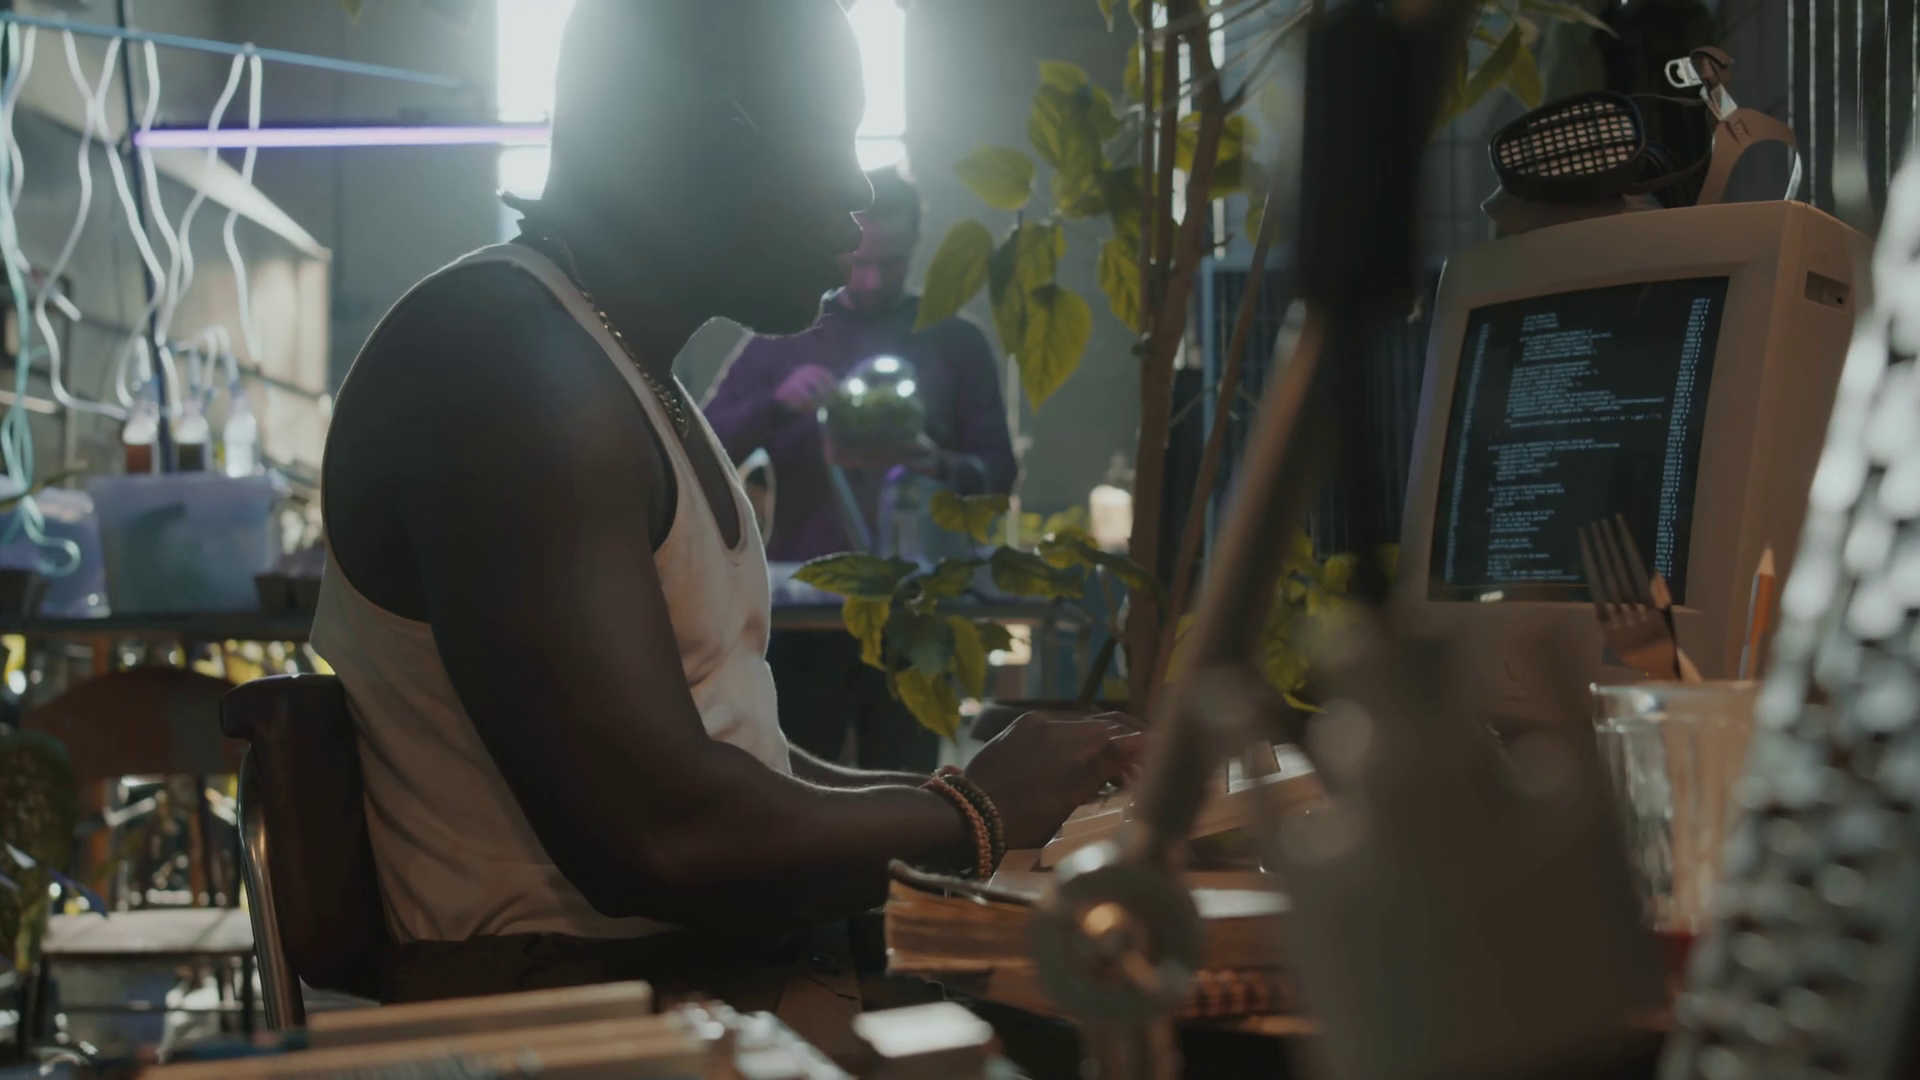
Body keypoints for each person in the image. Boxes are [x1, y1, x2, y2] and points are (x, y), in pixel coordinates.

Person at [312, 0, 1140, 1011]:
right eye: (830, 134)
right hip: (573, 1010)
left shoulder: (613, 366)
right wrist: (977, 811)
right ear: (702, 133)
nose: (859, 185)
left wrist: (981, 796)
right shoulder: (504, 366)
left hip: (692, 978)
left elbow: (737, 762)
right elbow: (664, 835)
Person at [706, 168, 1016, 772]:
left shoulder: (953, 340)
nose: (872, 281)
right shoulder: (785, 337)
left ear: (917, 245)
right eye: (858, 262)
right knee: (798, 778)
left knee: (907, 781)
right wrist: (774, 404)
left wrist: (935, 462)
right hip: (808, 610)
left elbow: (997, 472)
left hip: (918, 610)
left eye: (891, 264)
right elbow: (703, 447)